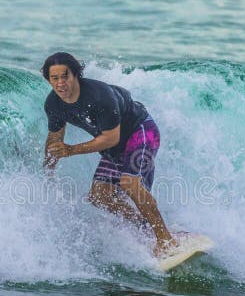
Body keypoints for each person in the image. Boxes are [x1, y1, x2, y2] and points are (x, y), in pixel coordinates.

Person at [41, 52, 177, 255]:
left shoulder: (100, 96)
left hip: (140, 133)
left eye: (65, 76)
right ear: (49, 80)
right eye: (55, 78)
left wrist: (70, 150)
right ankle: (144, 227)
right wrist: (47, 171)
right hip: (115, 148)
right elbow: (54, 140)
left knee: (130, 183)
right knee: (99, 196)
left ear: (76, 75)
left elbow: (111, 138)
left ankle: (166, 240)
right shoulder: (54, 104)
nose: (61, 83)